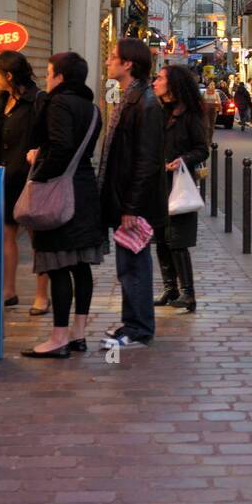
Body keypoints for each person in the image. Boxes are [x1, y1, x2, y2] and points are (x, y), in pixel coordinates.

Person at [21, 52, 103, 359]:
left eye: (50, 73)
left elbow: (61, 147)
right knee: (80, 267)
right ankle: (77, 334)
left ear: (61, 77)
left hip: (58, 193)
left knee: (57, 267)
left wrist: (37, 171)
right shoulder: (93, 109)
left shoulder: (57, 104)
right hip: (83, 191)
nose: (46, 78)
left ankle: (57, 339)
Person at [98, 38, 166, 350]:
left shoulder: (145, 103)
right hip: (125, 198)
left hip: (133, 203)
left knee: (134, 265)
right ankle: (132, 322)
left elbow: (147, 160)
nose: (108, 62)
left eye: (113, 58)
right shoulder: (132, 97)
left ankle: (139, 329)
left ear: (128, 64)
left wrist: (131, 205)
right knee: (128, 265)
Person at [0, 51, 49, 313]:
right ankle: (8, 291)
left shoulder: (38, 100)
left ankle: (42, 296)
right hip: (3, 176)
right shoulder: (1, 100)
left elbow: (46, 139)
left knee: (37, 239)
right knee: (7, 233)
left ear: (8, 75)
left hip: (30, 178)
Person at [152, 63, 211, 313]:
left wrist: (182, 160)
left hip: (178, 184)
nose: (155, 81)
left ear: (173, 85)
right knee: (162, 240)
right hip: (157, 184)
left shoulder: (189, 114)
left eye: (160, 78)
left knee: (177, 240)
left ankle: (188, 293)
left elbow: (202, 148)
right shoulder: (156, 110)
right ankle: (170, 288)